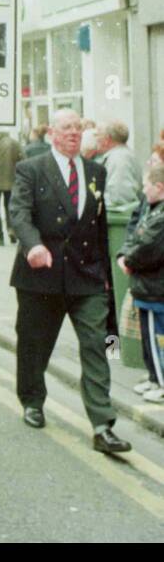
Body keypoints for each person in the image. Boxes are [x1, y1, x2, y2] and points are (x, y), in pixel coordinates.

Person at [8, 109, 131, 454]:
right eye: (66, 128)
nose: (74, 133)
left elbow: (99, 228)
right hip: (41, 273)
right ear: (52, 133)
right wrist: (32, 245)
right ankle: (32, 401)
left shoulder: (96, 171)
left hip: (87, 275)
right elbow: (18, 212)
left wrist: (106, 276)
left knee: (96, 345)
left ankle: (103, 424)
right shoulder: (30, 169)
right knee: (35, 343)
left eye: (78, 127)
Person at [118, 162, 164, 404]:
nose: (143, 191)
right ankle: (153, 376)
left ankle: (160, 381)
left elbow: (147, 245)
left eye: (146, 186)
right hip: (149, 287)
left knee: (156, 337)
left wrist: (128, 260)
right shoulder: (152, 209)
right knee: (149, 337)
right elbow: (135, 233)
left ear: (159, 186)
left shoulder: (159, 215)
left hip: (153, 288)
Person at [95, 120, 143, 212]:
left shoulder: (119, 158)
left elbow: (119, 198)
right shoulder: (121, 155)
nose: (96, 139)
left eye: (97, 135)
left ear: (107, 139)